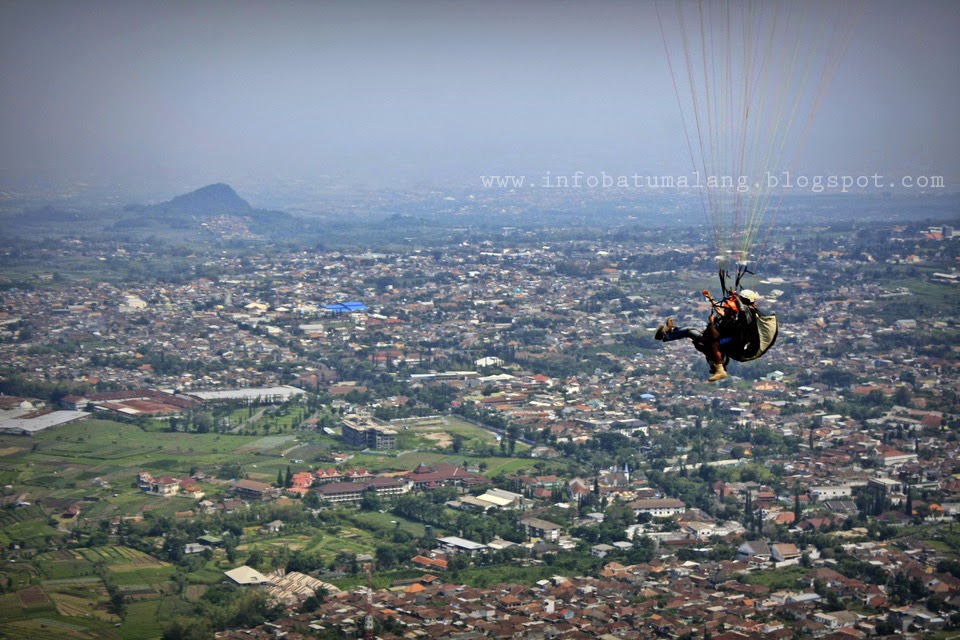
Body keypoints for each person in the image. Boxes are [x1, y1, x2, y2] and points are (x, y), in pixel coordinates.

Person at [655, 288, 757, 382]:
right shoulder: (728, 317)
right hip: (708, 341)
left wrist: (712, 323)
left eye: (726, 309)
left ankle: (666, 336)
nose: (724, 310)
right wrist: (711, 298)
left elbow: (716, 336)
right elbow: (719, 310)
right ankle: (670, 331)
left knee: (689, 331)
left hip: (708, 341)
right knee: (689, 330)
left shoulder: (731, 322)